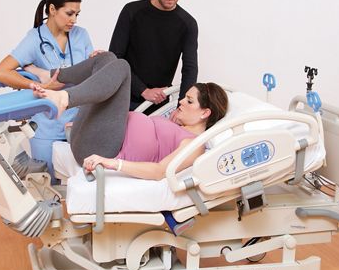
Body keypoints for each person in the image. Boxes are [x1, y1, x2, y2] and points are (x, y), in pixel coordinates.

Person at [30, 52, 228, 181]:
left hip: (103, 148)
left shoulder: (194, 145)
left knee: (122, 67)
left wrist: (113, 164)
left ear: (205, 113)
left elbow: (160, 171)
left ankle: (64, 97)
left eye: (190, 101)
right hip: (93, 135)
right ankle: (53, 77)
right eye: (184, 98)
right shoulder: (174, 124)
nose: (182, 102)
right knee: (107, 58)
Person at [0, 0, 94, 182]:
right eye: (69, 13)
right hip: (47, 128)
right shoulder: (34, 39)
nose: (74, 20)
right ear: (52, 9)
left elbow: (90, 74)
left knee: (86, 186)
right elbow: (1, 73)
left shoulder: (81, 35)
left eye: (77, 14)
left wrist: (95, 60)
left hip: (79, 124)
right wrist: (38, 86)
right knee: (46, 186)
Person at [109, 0, 198, 113]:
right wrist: (143, 90)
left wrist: (181, 109)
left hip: (159, 102)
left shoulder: (188, 24)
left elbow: (190, 69)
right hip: (123, 97)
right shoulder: (132, 11)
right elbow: (115, 58)